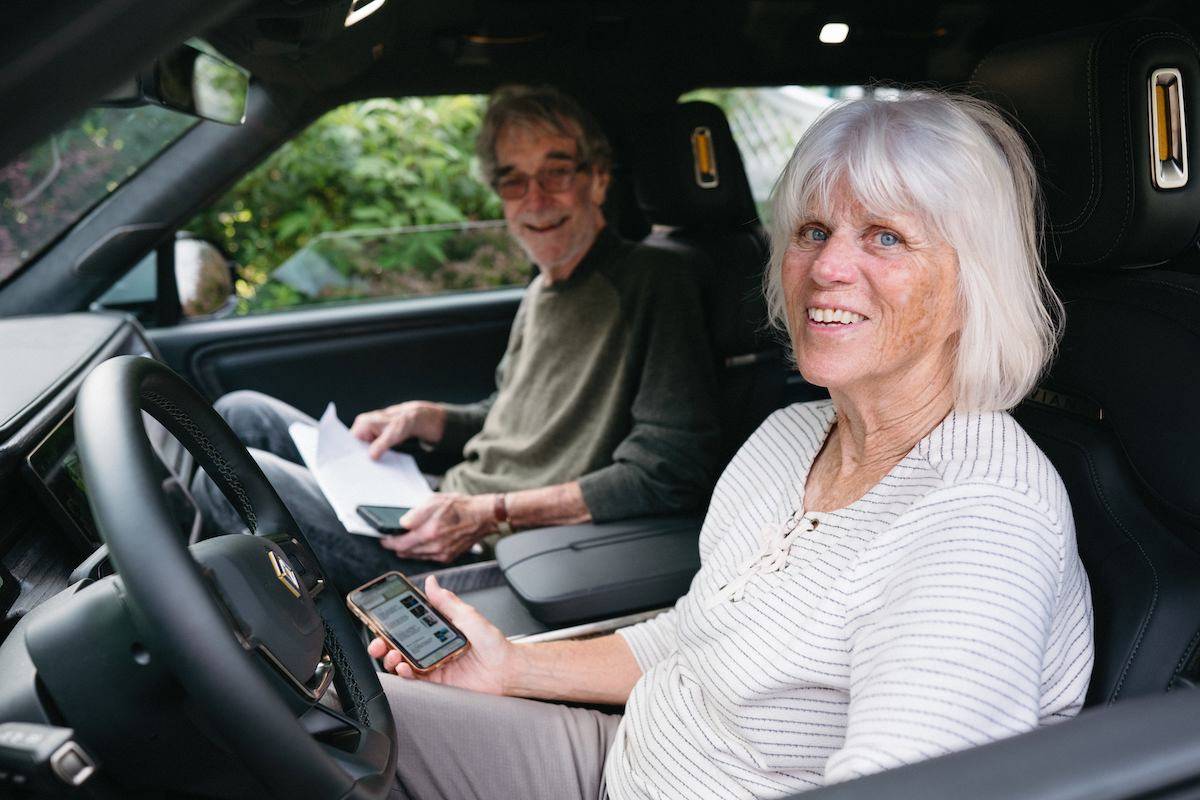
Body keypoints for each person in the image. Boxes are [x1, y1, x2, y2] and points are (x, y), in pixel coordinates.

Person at [367, 92, 1095, 799]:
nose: (828, 269)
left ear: (974, 281)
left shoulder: (981, 524)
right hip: (628, 756)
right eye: (813, 231)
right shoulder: (788, 438)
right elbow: (696, 638)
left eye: (885, 236)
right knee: (345, 714)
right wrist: (510, 669)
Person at [193, 85, 721, 592]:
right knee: (241, 415)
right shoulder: (547, 285)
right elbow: (515, 415)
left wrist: (487, 513)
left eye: (556, 172)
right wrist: (428, 418)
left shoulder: (654, 279)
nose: (535, 199)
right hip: (445, 504)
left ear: (599, 179)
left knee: (226, 473)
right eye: (513, 181)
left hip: (488, 551)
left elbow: (670, 469)